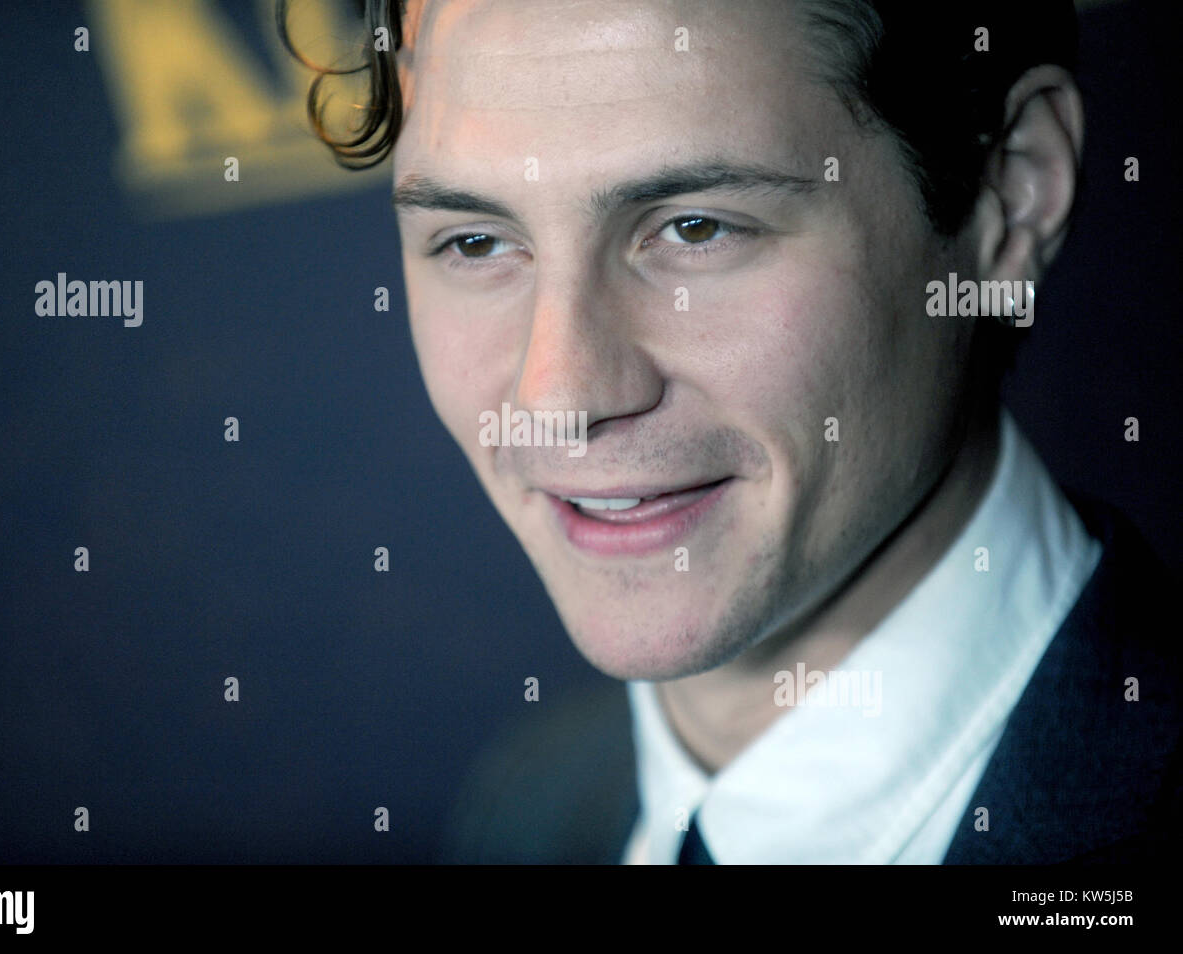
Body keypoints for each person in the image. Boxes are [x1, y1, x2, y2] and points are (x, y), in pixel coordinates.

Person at [281, 0, 1180, 863]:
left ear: (1010, 194)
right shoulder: (535, 799)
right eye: (475, 243)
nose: (558, 395)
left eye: (696, 228)